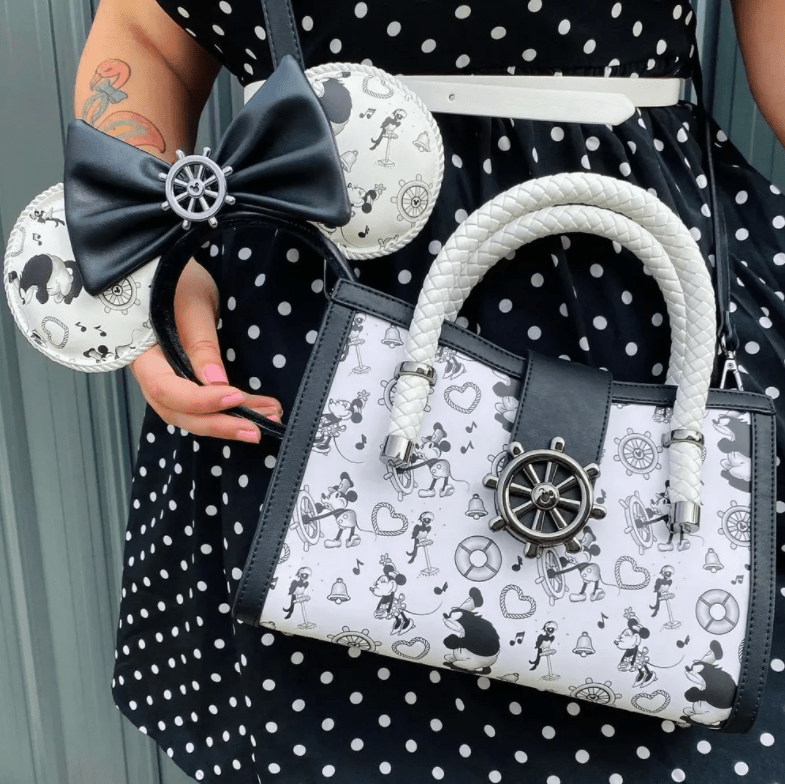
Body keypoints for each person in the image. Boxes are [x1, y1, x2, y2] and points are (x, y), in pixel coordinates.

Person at [77, 0, 785, 781]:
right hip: (303, 340)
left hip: (637, 314)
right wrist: (147, 262)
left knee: (661, 689)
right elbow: (148, 39)